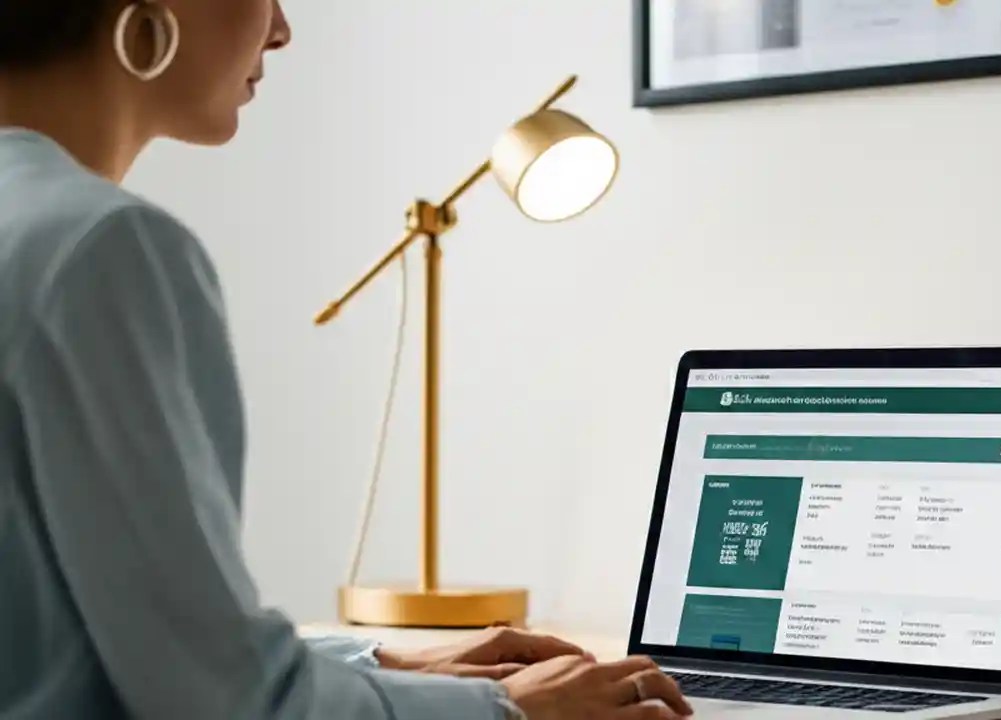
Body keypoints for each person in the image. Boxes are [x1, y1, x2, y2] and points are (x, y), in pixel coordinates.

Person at [0, 1, 693, 718]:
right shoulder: (100, 250)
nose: (280, 28)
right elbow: (230, 705)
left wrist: (380, 662)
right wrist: (509, 712)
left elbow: (87, 641)